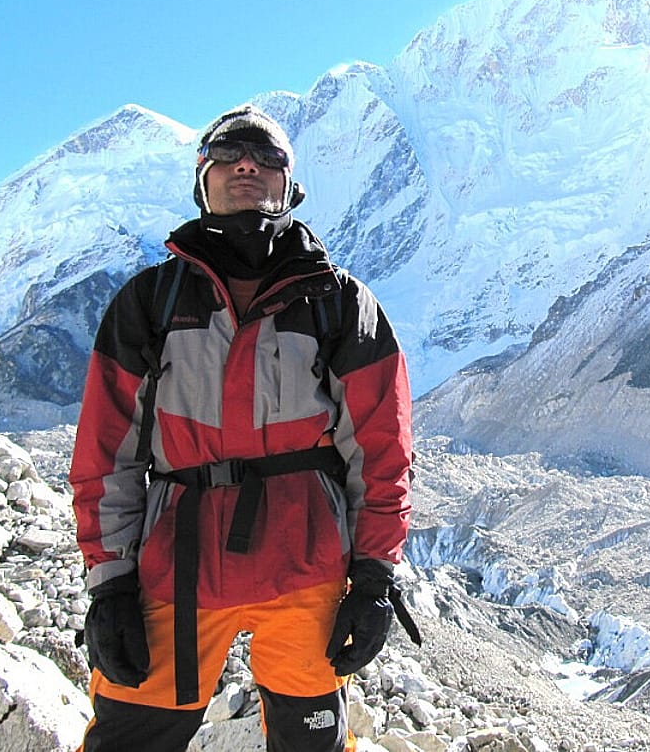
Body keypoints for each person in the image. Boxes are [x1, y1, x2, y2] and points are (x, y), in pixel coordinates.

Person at [70, 104, 414, 752]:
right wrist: (109, 583)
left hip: (306, 568)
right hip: (179, 565)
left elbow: (382, 451)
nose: (247, 165)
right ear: (202, 182)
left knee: (309, 741)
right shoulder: (149, 302)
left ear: (292, 186)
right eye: (227, 156)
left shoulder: (341, 304)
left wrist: (373, 578)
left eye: (267, 157)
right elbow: (105, 454)